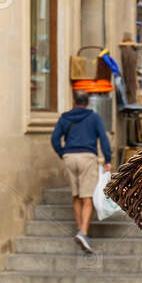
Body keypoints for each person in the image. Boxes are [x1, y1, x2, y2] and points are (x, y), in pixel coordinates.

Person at [50, 90, 113, 254]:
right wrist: (107, 160)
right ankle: (83, 233)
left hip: (70, 157)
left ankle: (80, 230)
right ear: (88, 102)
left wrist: (62, 153)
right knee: (87, 197)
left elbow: (54, 138)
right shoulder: (94, 117)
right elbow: (104, 139)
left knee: (76, 195)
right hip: (87, 157)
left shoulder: (64, 117)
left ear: (73, 101)